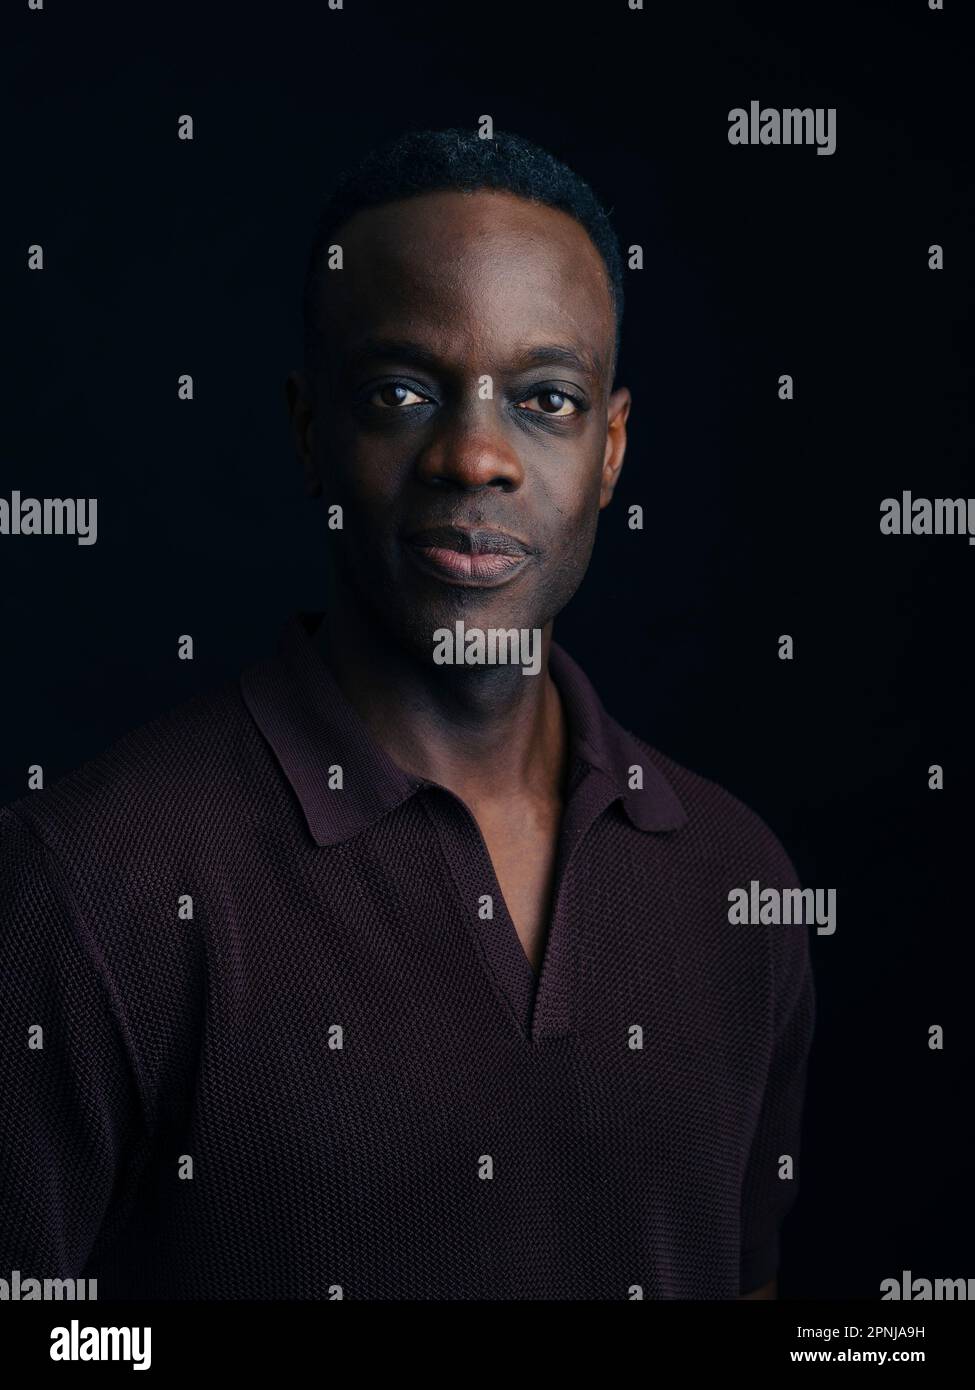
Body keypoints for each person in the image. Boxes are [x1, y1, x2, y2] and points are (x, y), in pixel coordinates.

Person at [0, 128, 814, 1300]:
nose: (475, 453)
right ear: (308, 430)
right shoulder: (89, 888)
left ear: (611, 450)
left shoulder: (741, 882)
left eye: (546, 399)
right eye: (401, 392)